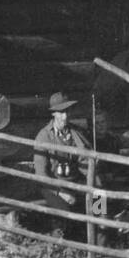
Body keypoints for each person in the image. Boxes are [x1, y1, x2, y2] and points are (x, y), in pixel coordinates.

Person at [33, 92, 93, 220]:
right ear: (53, 113)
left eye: (67, 111)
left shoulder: (76, 133)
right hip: (53, 187)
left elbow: (85, 162)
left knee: (99, 198)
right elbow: (41, 175)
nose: (65, 116)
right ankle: (62, 235)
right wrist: (61, 193)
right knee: (66, 215)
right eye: (61, 112)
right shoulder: (44, 136)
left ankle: (101, 227)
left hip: (75, 182)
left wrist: (90, 180)